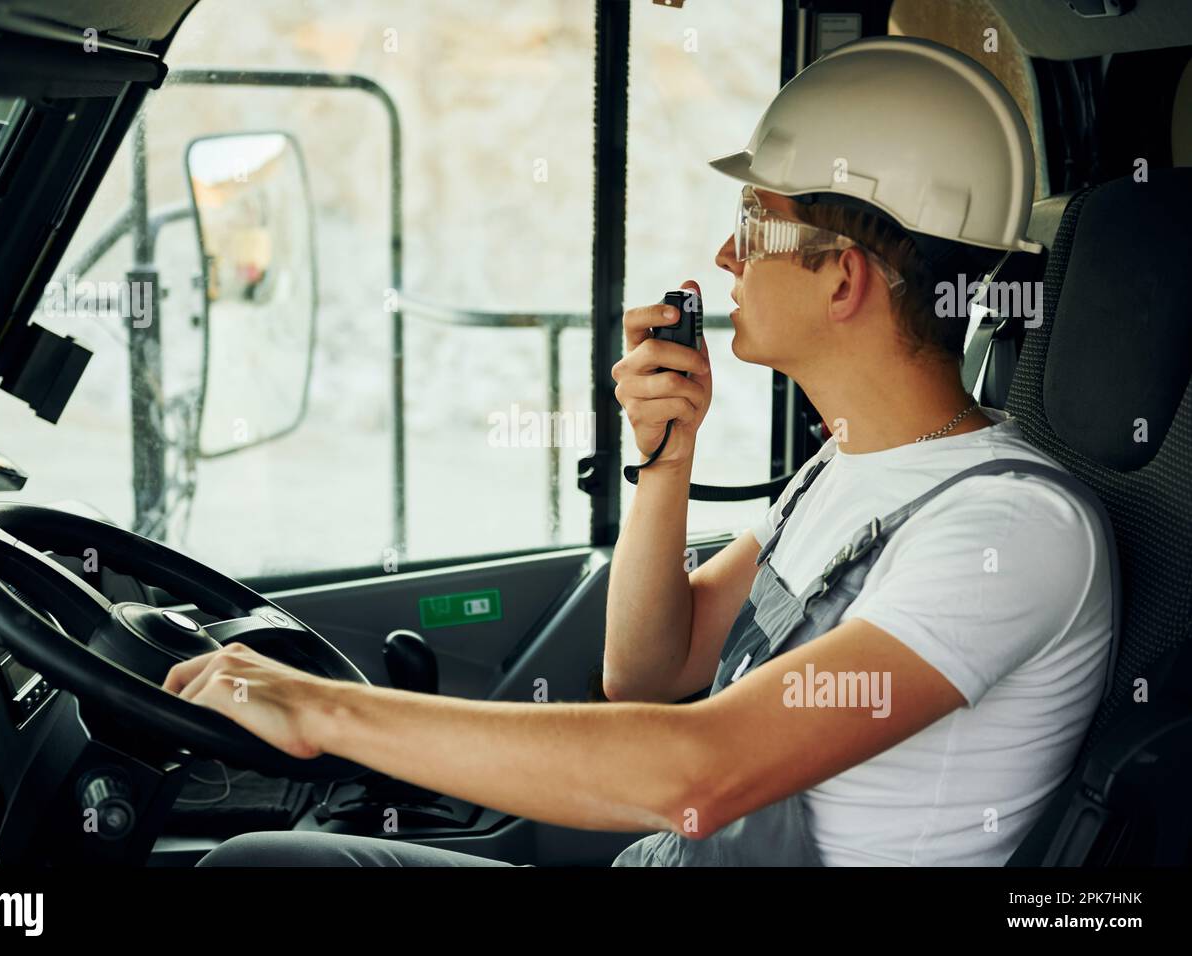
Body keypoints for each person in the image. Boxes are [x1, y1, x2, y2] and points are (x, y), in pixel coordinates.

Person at [182, 36, 1115, 867]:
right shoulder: (849, 467)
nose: (724, 255)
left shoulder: (1010, 528)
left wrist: (323, 711)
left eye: (753, 223)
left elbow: (700, 775)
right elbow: (648, 669)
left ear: (843, 277)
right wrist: (666, 464)